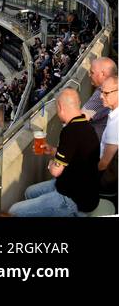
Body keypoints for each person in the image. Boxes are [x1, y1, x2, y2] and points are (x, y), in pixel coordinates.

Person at [8, 88, 100, 216]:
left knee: (13, 211)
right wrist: (51, 150)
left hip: (74, 200)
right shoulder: (86, 126)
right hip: (81, 189)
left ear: (60, 107)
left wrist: (51, 164)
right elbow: (71, 154)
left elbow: (56, 171)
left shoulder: (70, 131)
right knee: (30, 192)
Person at [82, 58, 116, 139]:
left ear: (102, 74)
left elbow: (79, 119)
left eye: (92, 72)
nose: (89, 75)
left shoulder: (103, 93)